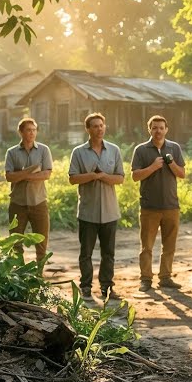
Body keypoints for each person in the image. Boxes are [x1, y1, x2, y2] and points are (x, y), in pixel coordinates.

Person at [68, 113, 125, 303]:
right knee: (86, 253)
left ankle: (107, 287)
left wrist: (102, 177)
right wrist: (92, 176)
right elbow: (73, 178)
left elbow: (120, 178)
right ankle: (85, 287)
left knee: (108, 253)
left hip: (110, 211)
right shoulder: (78, 152)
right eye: (94, 126)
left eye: (101, 125)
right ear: (88, 129)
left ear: (105, 127)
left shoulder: (114, 150)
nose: (99, 129)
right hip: (88, 211)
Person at [130, 115, 186, 293]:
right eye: (154, 128)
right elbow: (135, 176)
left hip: (171, 205)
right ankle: (146, 279)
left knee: (169, 245)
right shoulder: (141, 150)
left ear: (166, 129)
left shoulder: (174, 148)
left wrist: (171, 164)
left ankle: (166, 278)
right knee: (146, 246)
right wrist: (153, 167)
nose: (158, 131)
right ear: (149, 130)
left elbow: (182, 174)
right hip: (149, 207)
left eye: (161, 127)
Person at [4, 117, 52, 266]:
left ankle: (39, 275)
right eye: (28, 130)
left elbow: (47, 174)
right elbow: (9, 177)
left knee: (41, 241)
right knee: (16, 241)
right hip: (18, 203)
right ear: (21, 132)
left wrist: (23, 174)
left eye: (34, 130)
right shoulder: (12, 152)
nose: (31, 133)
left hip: (39, 202)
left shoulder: (44, 150)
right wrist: (31, 172)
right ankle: (20, 274)